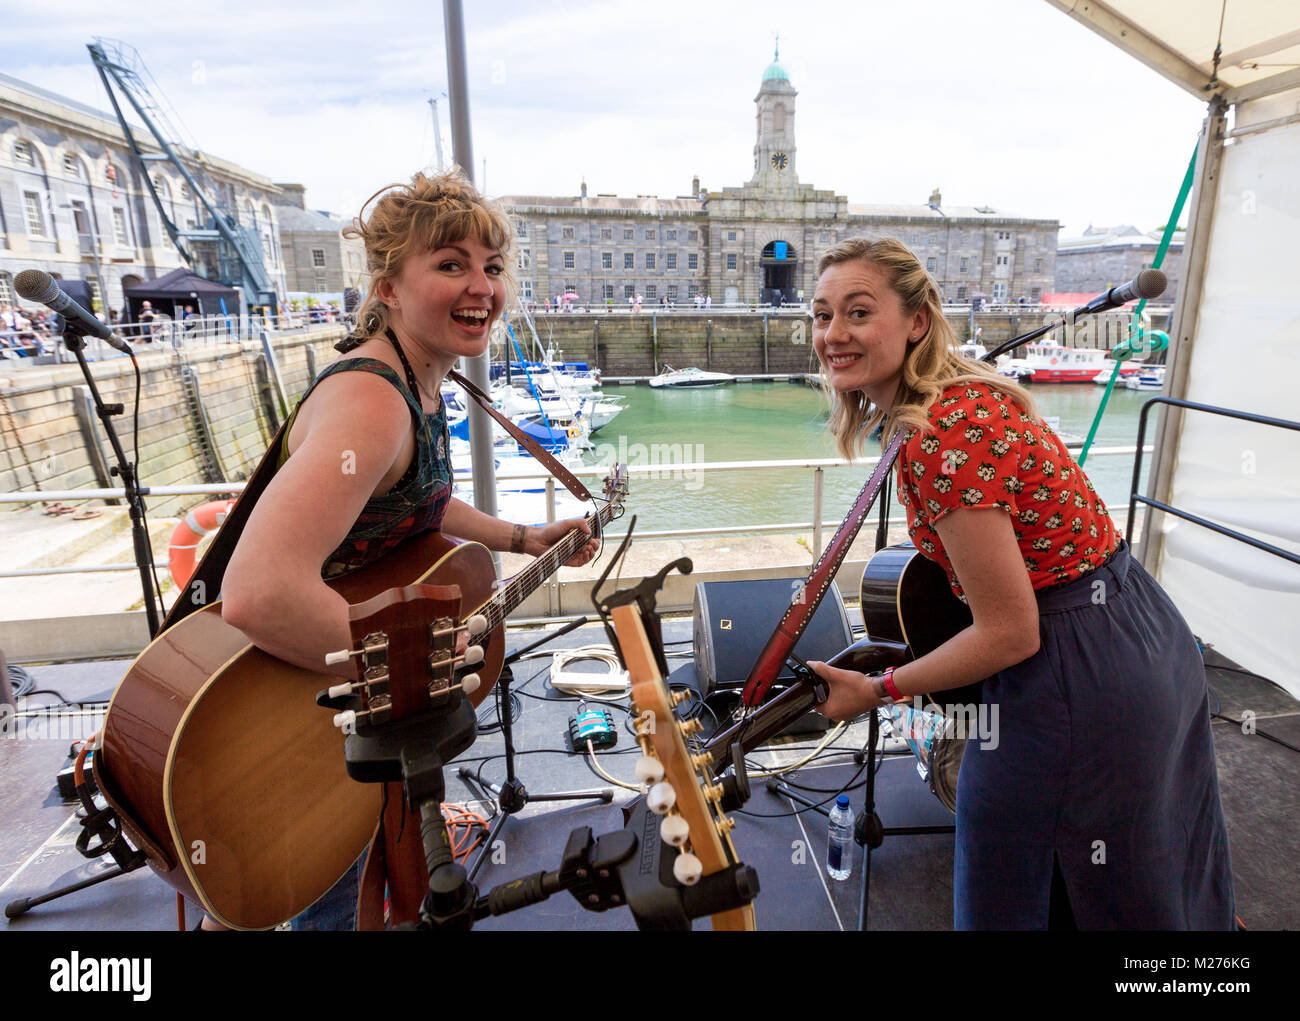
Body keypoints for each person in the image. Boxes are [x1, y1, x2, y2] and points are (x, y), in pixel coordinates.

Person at [203, 169, 600, 930]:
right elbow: (261, 592)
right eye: (450, 264)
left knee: (343, 872)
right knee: (318, 894)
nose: (480, 284)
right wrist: (407, 662)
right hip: (296, 695)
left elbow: (411, 498)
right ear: (387, 286)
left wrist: (520, 537)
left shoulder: (415, 381)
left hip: (327, 680)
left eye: (491, 266)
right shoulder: (371, 402)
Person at [806, 237, 1234, 930]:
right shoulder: (965, 393)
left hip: (1074, 667)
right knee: (1142, 861)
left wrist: (879, 689)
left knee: (1014, 878)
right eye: (822, 315)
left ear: (917, 320)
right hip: (1134, 624)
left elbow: (1009, 630)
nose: (833, 334)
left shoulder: (940, 434)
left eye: (858, 312)